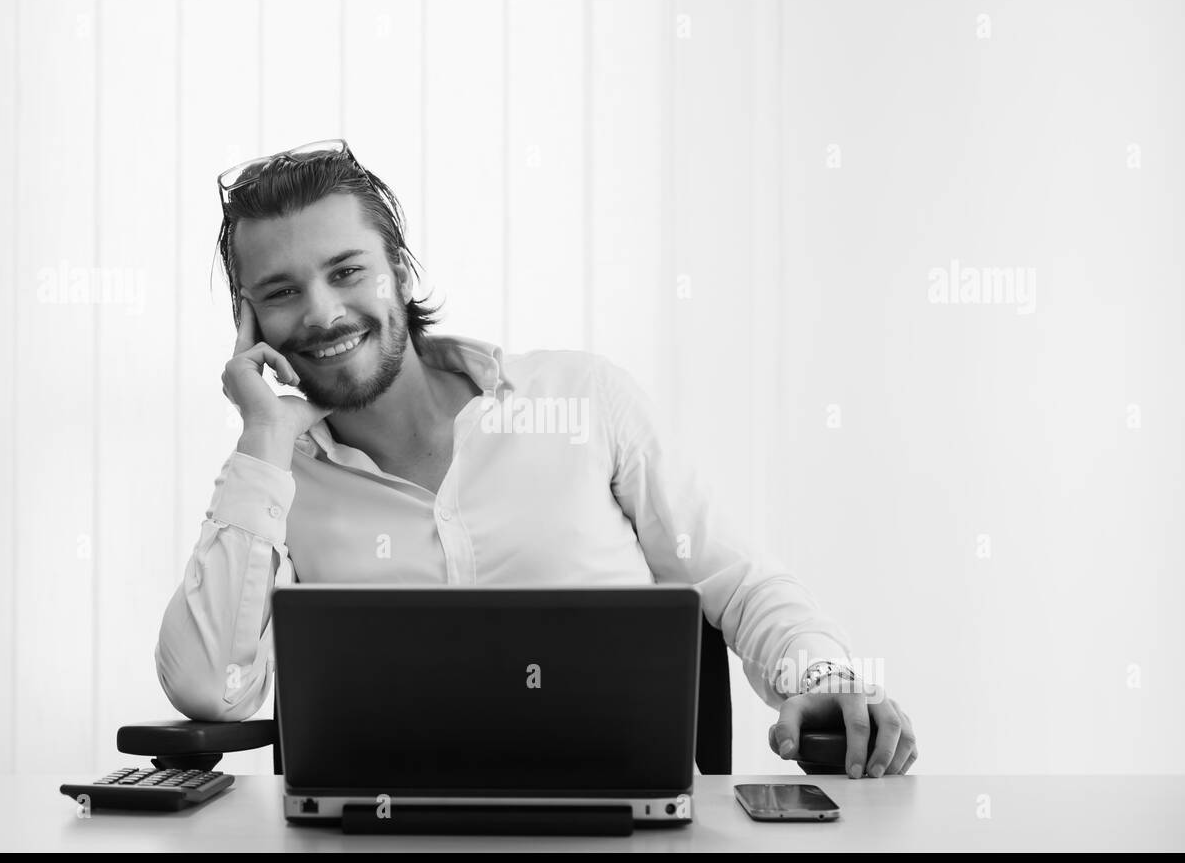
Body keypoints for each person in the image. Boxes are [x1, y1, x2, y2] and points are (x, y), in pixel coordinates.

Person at [155, 139, 917, 779]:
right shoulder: (277, 482)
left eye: (347, 270)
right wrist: (262, 440)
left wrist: (823, 678)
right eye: (282, 292)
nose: (322, 313)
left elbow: (741, 583)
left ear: (400, 271)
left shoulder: (581, 398)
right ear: (248, 321)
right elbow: (210, 689)